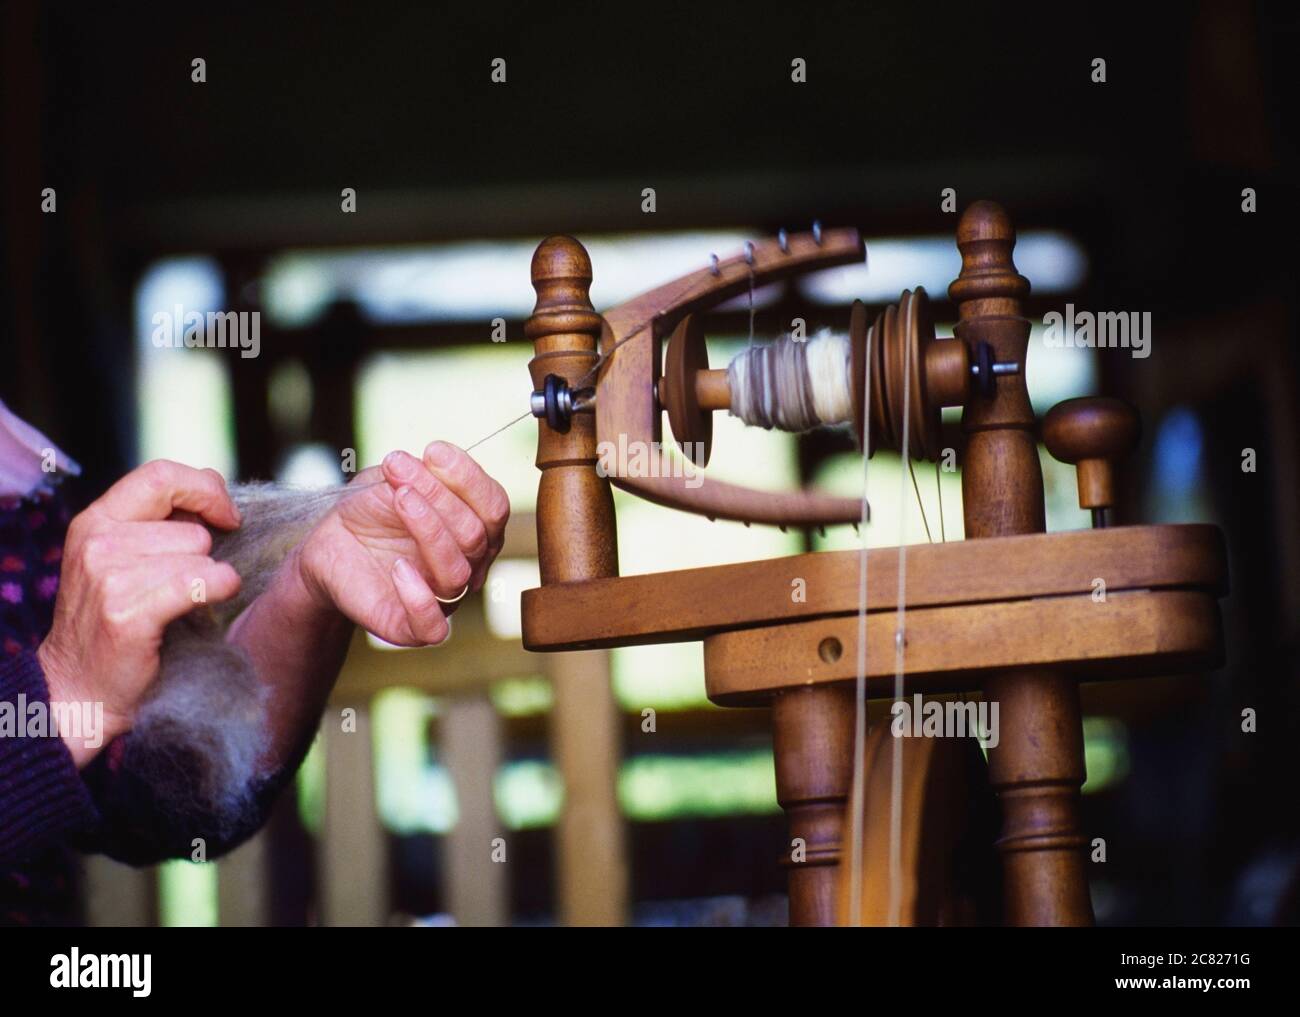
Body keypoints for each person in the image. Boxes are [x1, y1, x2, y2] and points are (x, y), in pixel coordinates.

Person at [0, 399, 509, 924]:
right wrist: (64, 692)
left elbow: (160, 793)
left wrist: (308, 589)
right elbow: (65, 713)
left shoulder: (20, 497)